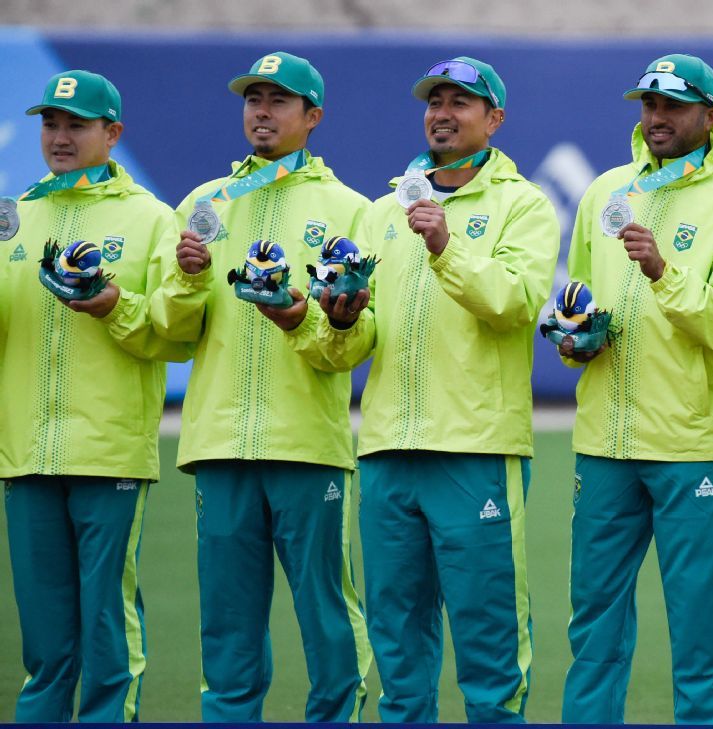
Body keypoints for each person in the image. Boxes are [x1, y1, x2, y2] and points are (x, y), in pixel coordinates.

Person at [309, 56, 558, 723]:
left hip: (474, 451)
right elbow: (357, 342)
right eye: (434, 100)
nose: (442, 112)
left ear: (494, 119)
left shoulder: (524, 206)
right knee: (397, 642)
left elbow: (513, 303)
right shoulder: (383, 209)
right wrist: (338, 320)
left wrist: (448, 245)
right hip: (389, 448)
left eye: (461, 102)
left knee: (489, 641)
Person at [150, 51, 372, 722]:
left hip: (307, 445)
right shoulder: (202, 204)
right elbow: (169, 329)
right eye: (253, 99)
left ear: (313, 117)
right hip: (219, 443)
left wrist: (308, 317)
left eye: (278, 100)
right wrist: (188, 278)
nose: (262, 111)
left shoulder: (350, 210)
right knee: (226, 621)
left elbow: (357, 342)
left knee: (327, 613)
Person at [556, 53, 713, 725]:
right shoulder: (606, 193)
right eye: (649, 105)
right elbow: (586, 298)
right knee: (593, 622)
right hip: (604, 440)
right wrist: (576, 337)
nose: (656, 118)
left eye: (673, 107)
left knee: (699, 622)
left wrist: (661, 268)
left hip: (690, 444)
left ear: (711, 116)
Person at [0, 69, 190, 724]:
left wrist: (112, 304)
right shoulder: (13, 216)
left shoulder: (151, 219)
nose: (59, 135)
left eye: (76, 123)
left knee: (107, 628)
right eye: (50, 122)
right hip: (25, 455)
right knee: (46, 643)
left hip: (107, 454)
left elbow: (172, 334)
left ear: (113, 133)